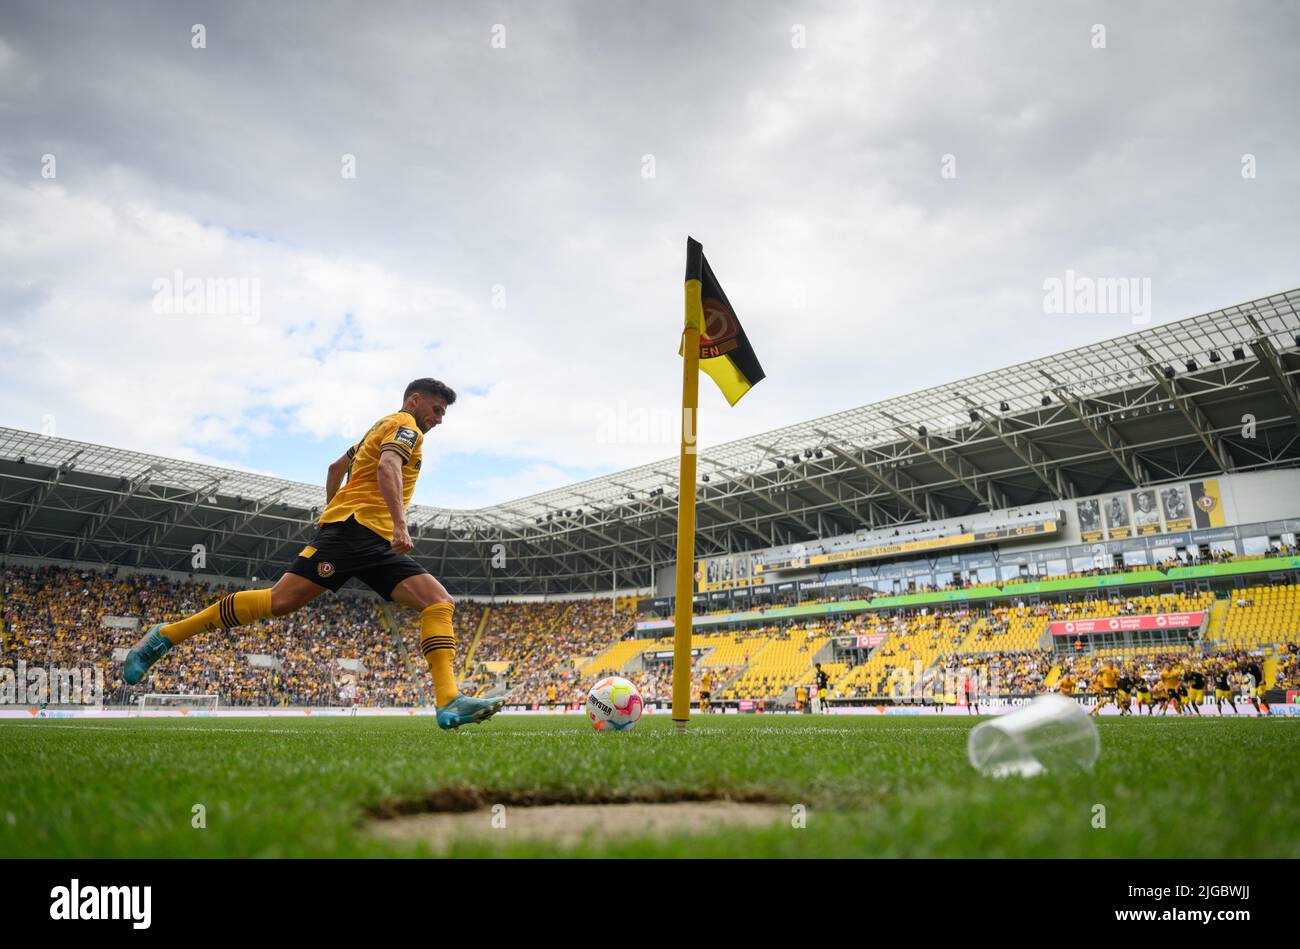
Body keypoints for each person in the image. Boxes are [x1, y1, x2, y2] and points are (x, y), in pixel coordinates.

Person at [122, 379, 503, 731]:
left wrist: (331, 511)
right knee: (280, 601)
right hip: (356, 532)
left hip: (366, 537)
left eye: (442, 414)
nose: (438, 420)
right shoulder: (406, 426)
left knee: (438, 602)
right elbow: (388, 465)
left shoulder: (377, 428)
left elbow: (336, 467)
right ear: (414, 400)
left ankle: (448, 700)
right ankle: (166, 635)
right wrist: (399, 525)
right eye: (436, 410)